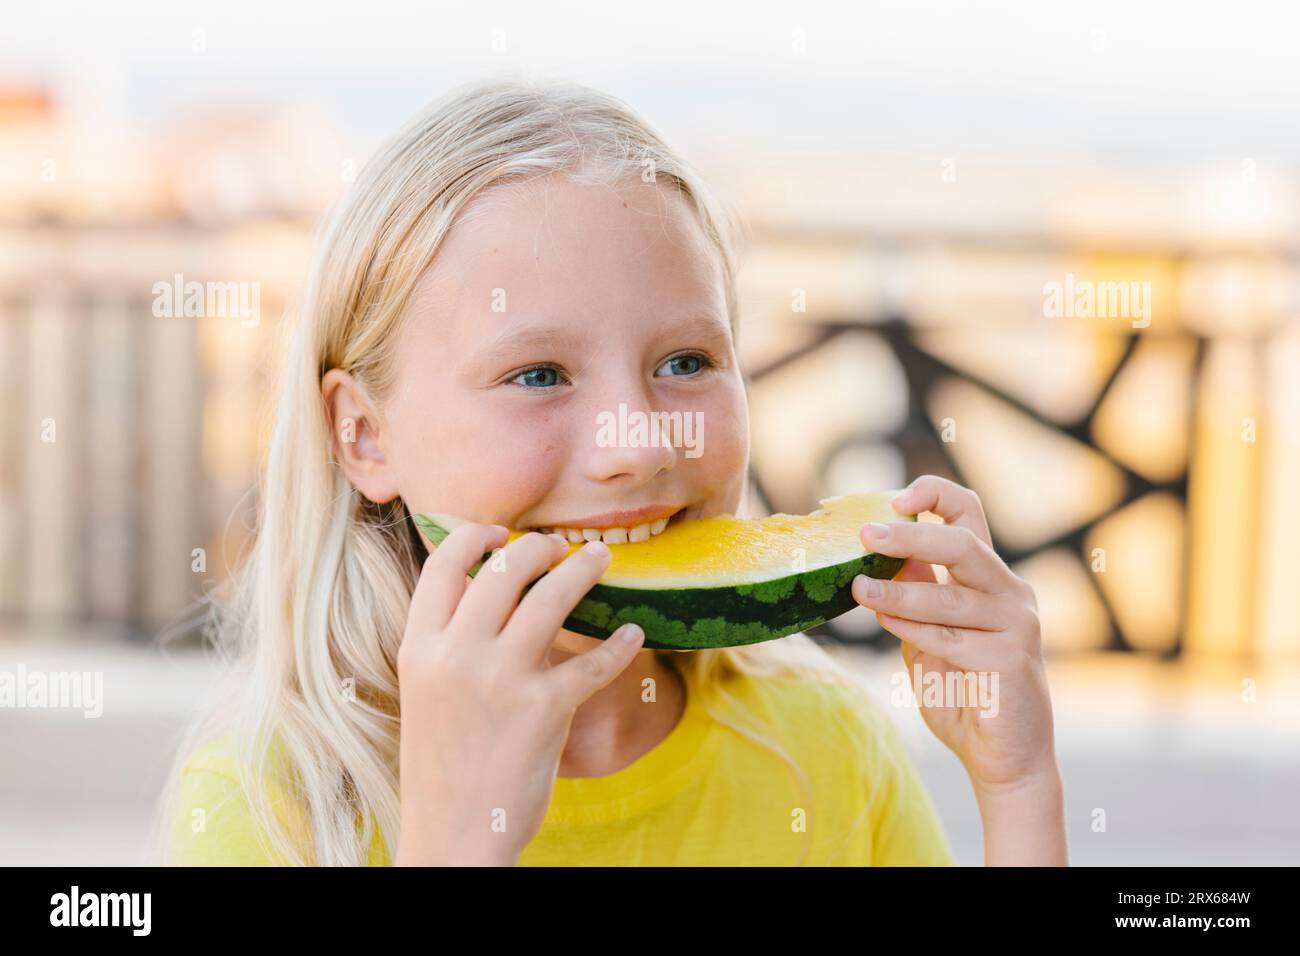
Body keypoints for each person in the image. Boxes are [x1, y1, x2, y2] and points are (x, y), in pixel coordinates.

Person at [150, 78, 1065, 867]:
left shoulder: (825, 747)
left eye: (685, 362)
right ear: (363, 435)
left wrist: (1015, 781)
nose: (636, 444)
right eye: (538, 376)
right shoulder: (268, 805)